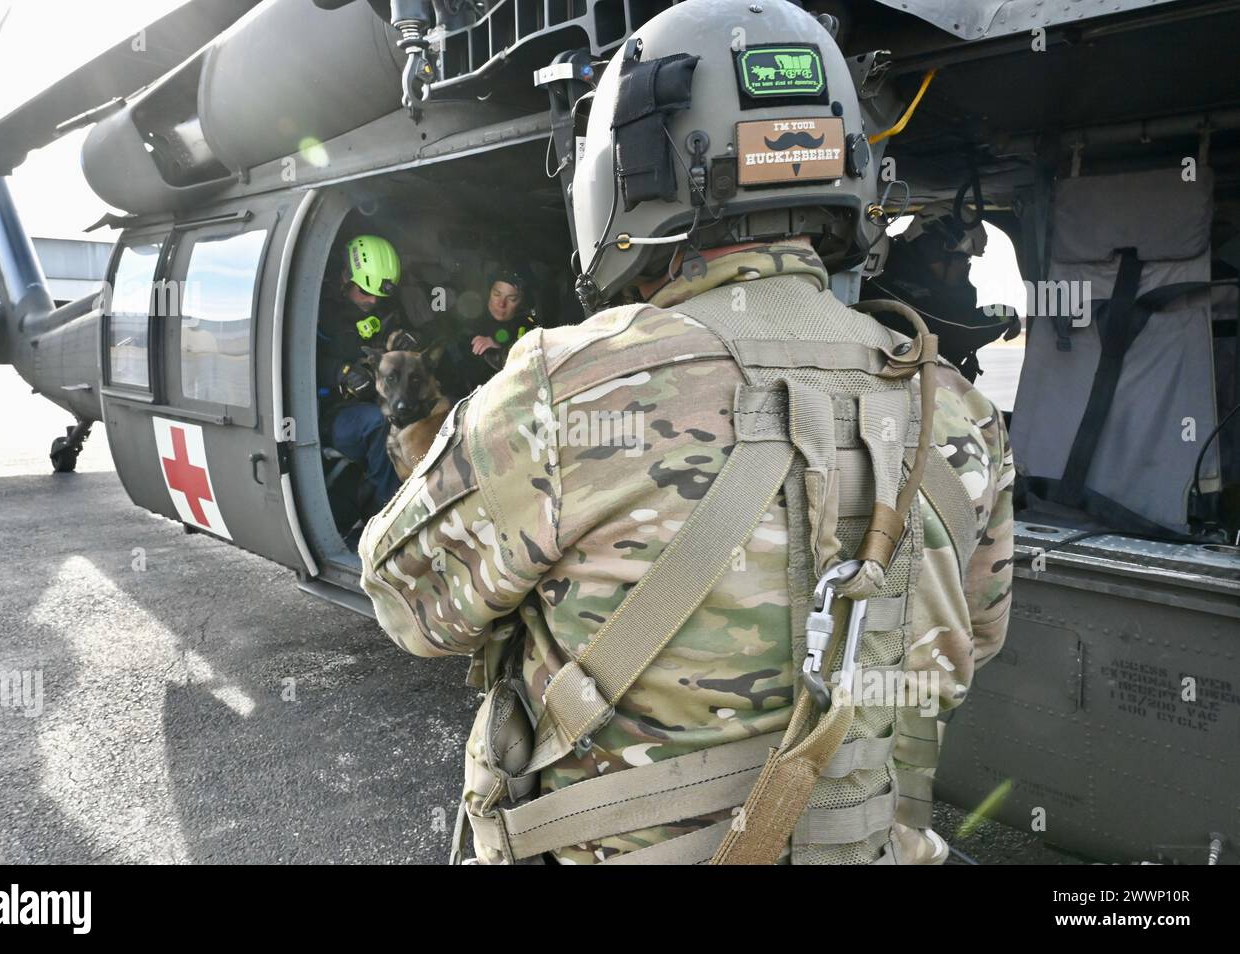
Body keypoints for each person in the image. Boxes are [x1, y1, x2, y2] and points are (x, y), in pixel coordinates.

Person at [359, 0, 1013, 865]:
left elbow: (408, 604)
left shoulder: (566, 390)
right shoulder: (954, 408)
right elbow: (976, 637)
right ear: (850, 166)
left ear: (632, 173)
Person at [863, 203, 1021, 382]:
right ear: (935, 250)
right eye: (964, 258)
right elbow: (959, 329)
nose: (965, 267)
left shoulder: (918, 284)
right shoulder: (894, 289)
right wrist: (1007, 315)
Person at [317, 235, 405, 524]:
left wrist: (404, 344)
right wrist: (339, 372)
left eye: (379, 296)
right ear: (346, 277)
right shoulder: (318, 313)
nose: (372, 301)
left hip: (379, 399)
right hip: (332, 414)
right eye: (364, 292)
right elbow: (286, 361)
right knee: (378, 422)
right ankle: (390, 516)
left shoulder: (385, 312)